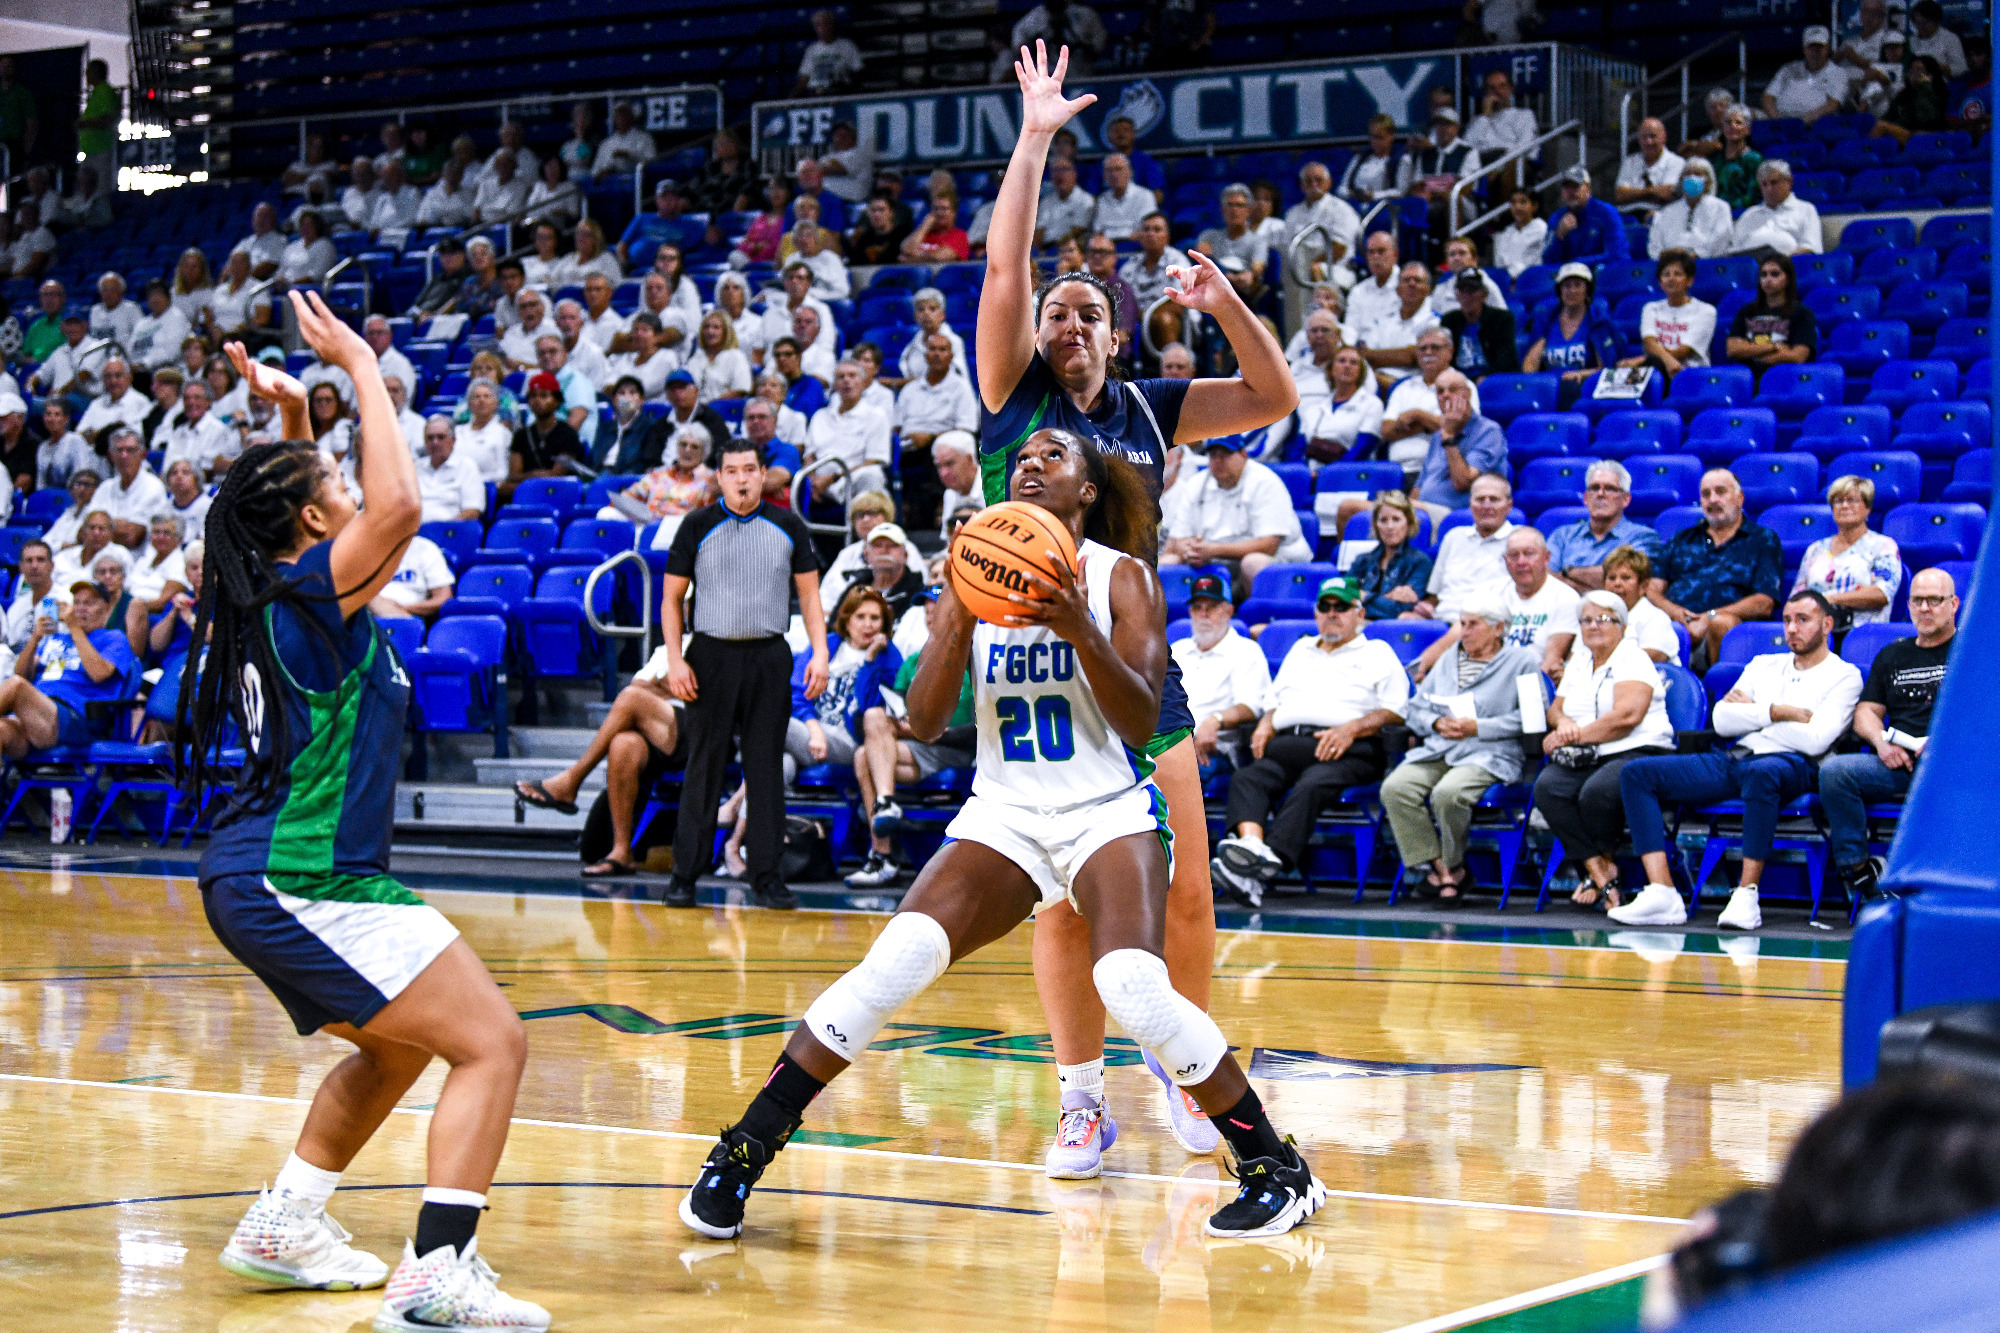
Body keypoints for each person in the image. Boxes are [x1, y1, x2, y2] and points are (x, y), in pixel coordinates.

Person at [681, 422, 1325, 1241]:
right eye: (1021, 457)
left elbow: (1135, 720)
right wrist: (952, 610)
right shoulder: (975, 576)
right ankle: (741, 1151)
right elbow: (920, 718)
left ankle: (1277, 1168)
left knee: (1130, 981)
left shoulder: (1122, 576)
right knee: (895, 962)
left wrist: (1074, 622)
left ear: (1087, 490)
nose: (1029, 464)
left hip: (1107, 809)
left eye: (1052, 457)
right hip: (1005, 814)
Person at [181, 301, 546, 1330]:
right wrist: (357, 363)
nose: (348, 487)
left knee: (394, 1047)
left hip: (269, 874)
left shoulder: (291, 594)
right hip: (300, 872)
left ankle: (284, 1222)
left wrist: (298, 419)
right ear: (309, 523)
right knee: (493, 1043)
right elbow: (401, 502)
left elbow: (328, 503)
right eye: (327, 482)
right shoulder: (309, 592)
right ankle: (437, 1268)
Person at [979, 44, 1302, 1173]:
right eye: (1054, 313)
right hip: (1030, 676)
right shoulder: (1013, 399)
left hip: (1137, 670)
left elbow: (1271, 395)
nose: (1062, 324)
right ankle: (1079, 1099)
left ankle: (1185, 1070)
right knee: (1061, 908)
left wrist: (1226, 304)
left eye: (1085, 315)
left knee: (1189, 896)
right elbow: (1005, 273)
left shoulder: (1154, 408)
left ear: (1117, 333)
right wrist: (1032, 142)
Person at [1613, 590, 1860, 931]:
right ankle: (1661, 891)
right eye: (1787, 620)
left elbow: (1816, 739)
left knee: (1763, 772)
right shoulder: (1763, 664)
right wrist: (1779, 712)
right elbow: (1722, 720)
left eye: (1802, 620)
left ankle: (1746, 894)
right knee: (1637, 774)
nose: (1791, 629)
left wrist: (1753, 715)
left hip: (1794, 765)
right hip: (1735, 757)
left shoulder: (1845, 675)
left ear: (1827, 624)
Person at [657, 440, 828, 907]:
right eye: (731, 471)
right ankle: (685, 876)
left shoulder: (789, 524)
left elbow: (810, 598)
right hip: (710, 655)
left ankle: (767, 876)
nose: (741, 478)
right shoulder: (697, 525)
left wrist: (820, 653)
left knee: (766, 768)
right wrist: (675, 659)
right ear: (719, 478)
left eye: (749, 469)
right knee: (703, 766)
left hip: (770, 655)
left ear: (762, 474)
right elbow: (671, 599)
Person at [1210, 574, 1408, 905]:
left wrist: (1352, 728)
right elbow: (1273, 701)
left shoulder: (1377, 652)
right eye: (1325, 606)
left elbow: (1396, 711)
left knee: (1313, 783)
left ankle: (1263, 864)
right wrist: (1266, 723)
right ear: (1316, 613)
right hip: (1290, 744)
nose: (1332, 613)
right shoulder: (1301, 648)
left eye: (1341, 607)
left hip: (1350, 749)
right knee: (1248, 777)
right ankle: (1254, 851)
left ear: (1359, 613)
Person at [1383, 601, 1539, 904]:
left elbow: (1533, 718)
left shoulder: (1522, 661)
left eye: (1473, 624)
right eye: (1462, 624)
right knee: (1395, 787)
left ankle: (1450, 866)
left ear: (1498, 629)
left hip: (1490, 751)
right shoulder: (1447, 660)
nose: (1464, 631)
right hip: (1441, 746)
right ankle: (1445, 870)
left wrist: (1479, 727)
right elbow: (1416, 709)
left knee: (1449, 794)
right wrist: (1436, 722)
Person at [1533, 589, 1678, 909]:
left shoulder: (1633, 657)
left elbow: (1627, 717)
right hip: (1594, 752)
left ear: (1622, 627)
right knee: (1548, 787)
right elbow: (1555, 709)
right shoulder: (1580, 660)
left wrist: (1574, 735)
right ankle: (1598, 868)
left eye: (1603, 619)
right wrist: (1564, 724)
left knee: (1596, 790)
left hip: (1641, 750)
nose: (1593, 626)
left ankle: (1602, 867)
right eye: (1586, 620)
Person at [1818, 568, 1956, 902]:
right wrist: (1881, 743)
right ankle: (1862, 873)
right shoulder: (1892, 655)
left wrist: (1947, 745)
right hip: (1901, 762)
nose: (1925, 608)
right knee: (1835, 772)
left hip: (1955, 768)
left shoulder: (1973, 654)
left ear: (1953, 604)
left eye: (1934, 600)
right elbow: (1866, 712)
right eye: (1917, 600)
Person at [845, 587, 978, 886]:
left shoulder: (976, 655)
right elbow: (864, 712)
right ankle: (886, 807)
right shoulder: (913, 661)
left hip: (955, 750)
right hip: (917, 747)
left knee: (865, 757)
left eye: (938, 605)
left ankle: (882, 854)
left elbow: (979, 731)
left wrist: (934, 734)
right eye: (927, 608)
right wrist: (869, 664)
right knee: (871, 726)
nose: (931, 613)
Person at [1648, 468, 1783, 665]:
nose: (1712, 500)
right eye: (1706, 494)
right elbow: (1651, 590)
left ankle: (1719, 694)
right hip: (1675, 626)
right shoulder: (1682, 539)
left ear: (1740, 498)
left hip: (1726, 631)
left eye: (1720, 492)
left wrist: (1710, 617)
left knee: (1722, 624)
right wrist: (1677, 614)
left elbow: (1764, 602)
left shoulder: (1762, 539)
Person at [1416, 525, 1578, 683]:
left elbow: (1551, 662)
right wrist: (1420, 667)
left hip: (1528, 681)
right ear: (1505, 561)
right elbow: (1455, 634)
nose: (1521, 561)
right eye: (1514, 555)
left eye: (1529, 554)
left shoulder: (1565, 598)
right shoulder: (1490, 591)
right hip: (1481, 676)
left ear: (1546, 558)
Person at [1158, 434, 1311, 587]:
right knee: (1168, 562)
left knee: (1252, 562)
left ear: (1243, 454)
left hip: (1281, 562)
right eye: (1213, 455)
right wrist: (1191, 550)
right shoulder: (1196, 484)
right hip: (1215, 565)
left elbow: (1269, 545)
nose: (1218, 461)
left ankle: (1259, 611)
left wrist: (1213, 550)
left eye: (1226, 454)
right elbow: (1175, 542)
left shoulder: (1265, 482)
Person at [4, 577, 136, 753]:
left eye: (89, 603)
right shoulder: (55, 639)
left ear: (106, 609)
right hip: (34, 716)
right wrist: (35, 639)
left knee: (15, 685)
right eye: (77, 603)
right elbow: (22, 674)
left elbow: (99, 673)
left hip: (74, 718)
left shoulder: (114, 638)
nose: (81, 608)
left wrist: (74, 628)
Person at [1173, 572, 1271, 787]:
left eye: (1213, 607)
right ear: (1190, 612)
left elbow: (1251, 707)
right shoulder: (1177, 650)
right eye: (1198, 608)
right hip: (1170, 743)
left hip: (1216, 749)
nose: (1204, 614)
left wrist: (1214, 720)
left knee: (1166, 776)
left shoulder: (1246, 651)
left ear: (1229, 611)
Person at [1791, 474, 1901, 626]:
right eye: (1838, 501)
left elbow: (1881, 594)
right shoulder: (1815, 550)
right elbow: (1796, 598)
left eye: (1852, 500)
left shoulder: (1883, 546)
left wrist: (1829, 599)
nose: (1844, 506)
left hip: (1862, 634)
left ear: (1867, 508)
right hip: (1816, 634)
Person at [895, 332, 979, 529]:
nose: (937, 354)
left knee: (938, 454)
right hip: (907, 447)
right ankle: (904, 516)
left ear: (951, 356)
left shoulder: (961, 388)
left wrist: (931, 437)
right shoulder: (910, 389)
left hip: (940, 444)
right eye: (932, 349)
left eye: (942, 350)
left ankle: (936, 516)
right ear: (925, 355)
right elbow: (896, 426)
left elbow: (968, 429)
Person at [1408, 369, 1505, 524]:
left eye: (1452, 390)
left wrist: (1449, 438)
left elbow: (1463, 482)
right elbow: (1417, 490)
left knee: (1355, 507)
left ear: (1468, 394)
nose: (1445, 395)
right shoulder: (1437, 437)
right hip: (1424, 516)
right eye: (1440, 392)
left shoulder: (1488, 431)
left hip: (1456, 515)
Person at [1415, 472, 1516, 621]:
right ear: (1470, 504)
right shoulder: (1454, 537)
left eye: (1494, 499)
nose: (1486, 506)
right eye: (1480, 499)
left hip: (1490, 625)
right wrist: (1424, 609)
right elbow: (1434, 596)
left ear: (1509, 506)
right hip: (1444, 621)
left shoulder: (1520, 540)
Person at [1548, 460, 1660, 591]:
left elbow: (1627, 580)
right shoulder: (1562, 535)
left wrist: (1568, 572)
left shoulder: (1644, 537)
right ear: (1585, 498)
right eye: (1594, 488)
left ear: (1626, 499)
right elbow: (1544, 578)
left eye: (1610, 488)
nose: (1600, 494)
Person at [1522, 262, 1620, 407]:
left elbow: (1607, 369)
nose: (1571, 290)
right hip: (1550, 388)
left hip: (1583, 389)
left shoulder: (1599, 322)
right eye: (1566, 286)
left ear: (1587, 290)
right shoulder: (1546, 320)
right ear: (1559, 291)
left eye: (1577, 285)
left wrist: (1581, 374)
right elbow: (1530, 365)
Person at [1622, 248, 1716, 381]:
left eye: (1678, 274)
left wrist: (1641, 360)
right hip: (1657, 373)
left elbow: (1682, 351)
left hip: (1691, 376)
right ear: (1660, 281)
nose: (1671, 279)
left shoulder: (1706, 311)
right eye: (1666, 275)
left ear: (1690, 281)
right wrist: (1668, 362)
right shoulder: (1651, 308)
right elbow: (1649, 342)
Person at [1725, 253, 1819, 380]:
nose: (1768, 280)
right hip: (1748, 379)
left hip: (1785, 378)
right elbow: (1733, 350)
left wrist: (1750, 351)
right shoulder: (1746, 311)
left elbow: (1798, 356)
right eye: (1763, 275)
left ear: (1788, 279)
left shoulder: (1802, 313)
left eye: (1775, 274)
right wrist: (1773, 347)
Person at [503, 373, 585, 505]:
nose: (537, 400)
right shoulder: (521, 435)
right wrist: (535, 474)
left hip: (559, 493)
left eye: (544, 395)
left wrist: (530, 476)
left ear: (556, 401)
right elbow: (513, 476)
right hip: (527, 492)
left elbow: (557, 475)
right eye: (533, 396)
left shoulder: (568, 434)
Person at [1297, 345, 1384, 465]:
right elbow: (1298, 451)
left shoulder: (1372, 404)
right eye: (1342, 361)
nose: (1347, 366)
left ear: (1361, 372)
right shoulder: (1314, 409)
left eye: (1354, 363)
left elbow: (1363, 448)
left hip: (1349, 474)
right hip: (1311, 474)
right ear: (1331, 369)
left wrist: (1328, 473)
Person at [1352, 491, 1431, 620]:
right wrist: (1388, 597)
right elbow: (1344, 598)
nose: (1390, 526)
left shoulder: (1421, 562)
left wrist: (1365, 596)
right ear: (1376, 525)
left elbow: (1401, 609)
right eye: (1383, 520)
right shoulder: (1363, 560)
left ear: (1408, 522)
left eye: (1396, 519)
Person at [1729, 160, 1822, 259]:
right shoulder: (1749, 215)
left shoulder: (1806, 210)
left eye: (1774, 183)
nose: (1768, 189)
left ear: (1789, 182)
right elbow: (1734, 253)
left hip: (1791, 269)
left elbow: (1810, 248)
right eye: (1764, 184)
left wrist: (1780, 264)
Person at [1441, 267, 1519, 383]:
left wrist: (1486, 378)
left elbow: (1506, 360)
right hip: (1458, 382)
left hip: (1493, 380)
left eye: (1472, 291)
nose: (1467, 296)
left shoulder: (1502, 319)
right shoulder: (1449, 321)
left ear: (1484, 294)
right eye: (1462, 290)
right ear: (1457, 295)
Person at [97, 428, 171, 549]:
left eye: (130, 450)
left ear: (143, 454)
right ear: (111, 455)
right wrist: (121, 525)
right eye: (119, 450)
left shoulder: (153, 487)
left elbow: (131, 538)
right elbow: (84, 531)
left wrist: (102, 526)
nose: (124, 456)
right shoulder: (104, 488)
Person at [1541, 166, 1627, 268]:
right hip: (1570, 276)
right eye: (1566, 187)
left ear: (1588, 190)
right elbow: (1548, 262)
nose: (1571, 192)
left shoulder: (1607, 213)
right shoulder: (1557, 218)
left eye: (1575, 186)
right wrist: (1559, 236)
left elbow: (1616, 255)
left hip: (1603, 275)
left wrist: (1578, 264)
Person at [1648, 158, 1733, 259]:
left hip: (1706, 264)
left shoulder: (1720, 208)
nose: (1692, 178)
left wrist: (1696, 255)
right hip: (1670, 265)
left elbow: (1721, 240)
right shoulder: (1667, 211)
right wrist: (1667, 257)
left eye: (1697, 174)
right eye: (1687, 174)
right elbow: (1655, 246)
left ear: (1708, 183)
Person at [1763, 27, 1851, 124]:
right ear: (1804, 49)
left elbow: (1833, 105)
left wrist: (1801, 122)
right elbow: (1768, 97)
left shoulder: (1838, 73)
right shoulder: (1788, 69)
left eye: (1819, 48)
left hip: (1815, 123)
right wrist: (1777, 121)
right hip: (1778, 120)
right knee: (1744, 114)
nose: (1815, 52)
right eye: (1811, 48)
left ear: (1828, 49)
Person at [370, 534, 455, 623]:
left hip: (408, 618)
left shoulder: (425, 548)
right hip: (365, 614)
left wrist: (399, 607)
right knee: (371, 600)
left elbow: (444, 598)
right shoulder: (364, 548)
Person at [1872, 54, 1951, 145]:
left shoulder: (1938, 93)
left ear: (1930, 74)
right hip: (1905, 132)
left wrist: (1925, 86)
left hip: (1928, 135)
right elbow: (1889, 116)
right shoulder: (1904, 94)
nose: (1914, 73)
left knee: (1882, 127)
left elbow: (1926, 119)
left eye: (1919, 70)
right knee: (1878, 125)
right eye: (1912, 70)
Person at [1616, 117, 1686, 217]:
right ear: (1639, 140)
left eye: (1653, 136)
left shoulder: (1676, 162)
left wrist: (1632, 194)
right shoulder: (1630, 162)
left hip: (1660, 216)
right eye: (1644, 137)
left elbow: (1666, 194)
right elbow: (1620, 195)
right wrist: (1652, 191)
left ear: (1664, 137)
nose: (1649, 142)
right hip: (1627, 215)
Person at [1338, 115, 1409, 203]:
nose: (1375, 141)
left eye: (1379, 137)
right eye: (1372, 137)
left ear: (1391, 136)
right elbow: (1342, 188)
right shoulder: (1359, 158)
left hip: (1383, 209)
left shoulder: (1402, 160)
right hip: (1356, 207)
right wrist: (1353, 194)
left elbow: (1400, 192)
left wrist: (1374, 196)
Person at [1705, 105, 1764, 210]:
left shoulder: (1753, 158)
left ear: (1748, 129)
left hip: (1742, 213)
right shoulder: (1715, 157)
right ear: (1723, 128)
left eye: (1738, 123)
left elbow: (1753, 194)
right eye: (1728, 122)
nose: (1732, 126)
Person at [3, 540, 55, 651]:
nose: (34, 566)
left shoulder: (66, 600)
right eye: (29, 560)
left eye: (40, 560)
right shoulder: (17, 607)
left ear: (51, 565)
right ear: (21, 567)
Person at [129, 514, 190, 610]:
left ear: (179, 539)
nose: (160, 537)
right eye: (156, 532)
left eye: (166, 533)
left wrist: (132, 609)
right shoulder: (144, 560)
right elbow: (127, 589)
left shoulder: (181, 564)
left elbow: (162, 603)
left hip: (153, 617)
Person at [1491, 189, 1547, 280]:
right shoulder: (1506, 232)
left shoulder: (1542, 229)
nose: (1517, 207)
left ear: (1534, 206)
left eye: (1523, 202)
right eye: (1513, 203)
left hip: (1533, 278)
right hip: (1507, 280)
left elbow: (1538, 260)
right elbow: (1499, 262)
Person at [1908, 0, 1968, 77]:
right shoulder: (1911, 40)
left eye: (1924, 23)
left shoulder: (1949, 39)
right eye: (1917, 23)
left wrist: (1939, 67)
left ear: (1937, 21)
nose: (1920, 27)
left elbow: (1961, 68)